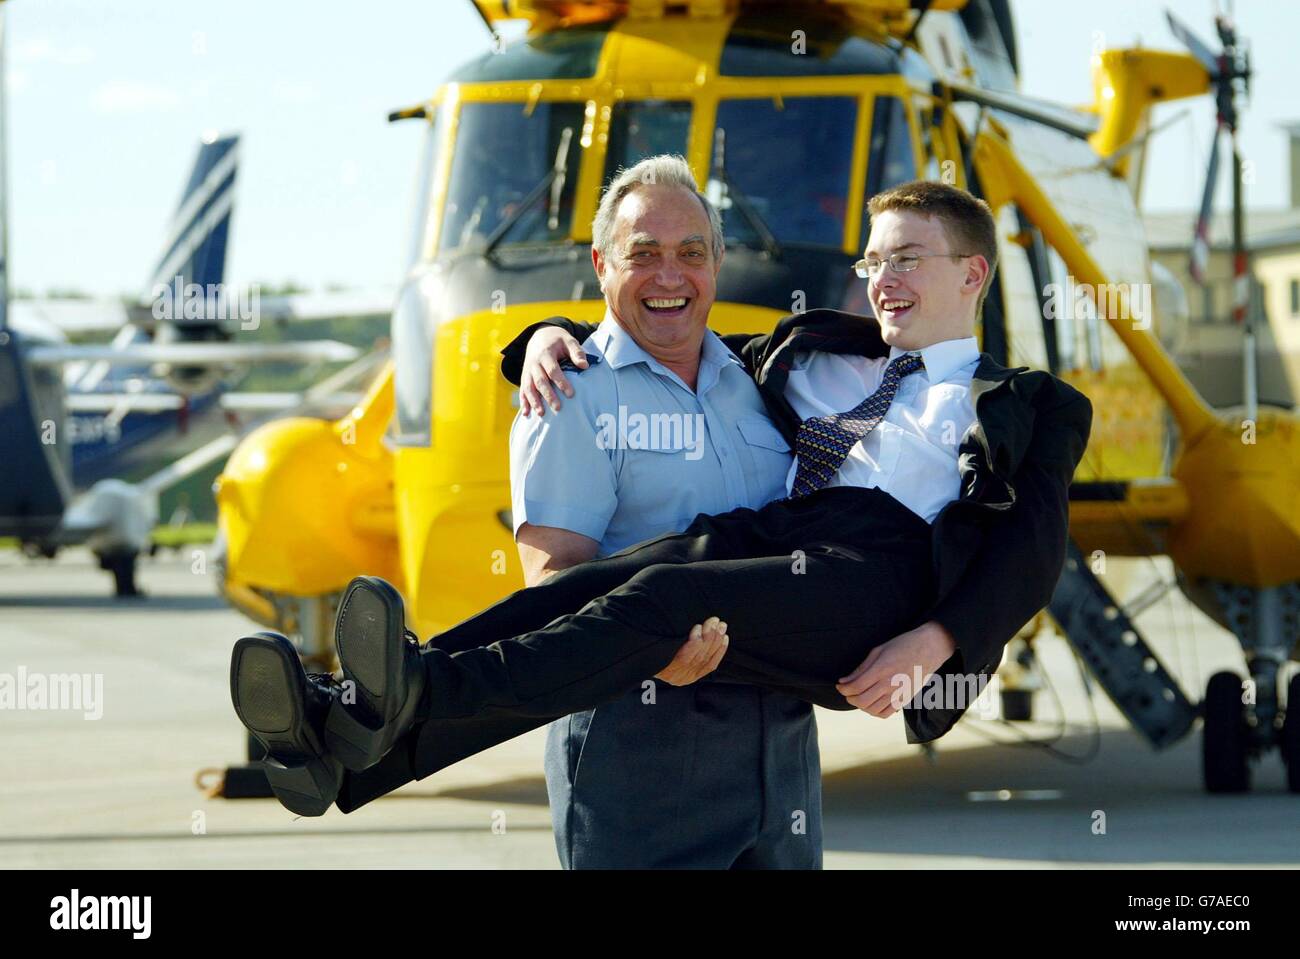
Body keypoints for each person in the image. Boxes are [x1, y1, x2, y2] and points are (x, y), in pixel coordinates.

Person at [230, 174, 1091, 861]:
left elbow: (1034, 549)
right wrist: (544, 337)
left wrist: (938, 639)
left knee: (667, 598)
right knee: (633, 571)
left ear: (972, 273)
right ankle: (352, 722)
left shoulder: (1026, 402)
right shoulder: (815, 357)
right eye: (873, 264)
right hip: (798, 537)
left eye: (907, 259)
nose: (883, 280)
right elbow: (656, 332)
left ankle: (418, 694)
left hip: (886, 569)